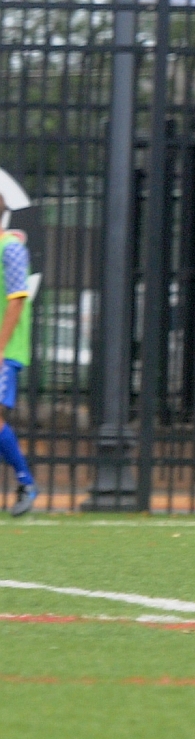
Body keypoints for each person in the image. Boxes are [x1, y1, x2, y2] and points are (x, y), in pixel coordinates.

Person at [0, 201, 34, 516]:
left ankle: (25, 481)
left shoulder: (10, 248)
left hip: (4, 350)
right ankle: (25, 482)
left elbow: (17, 301)